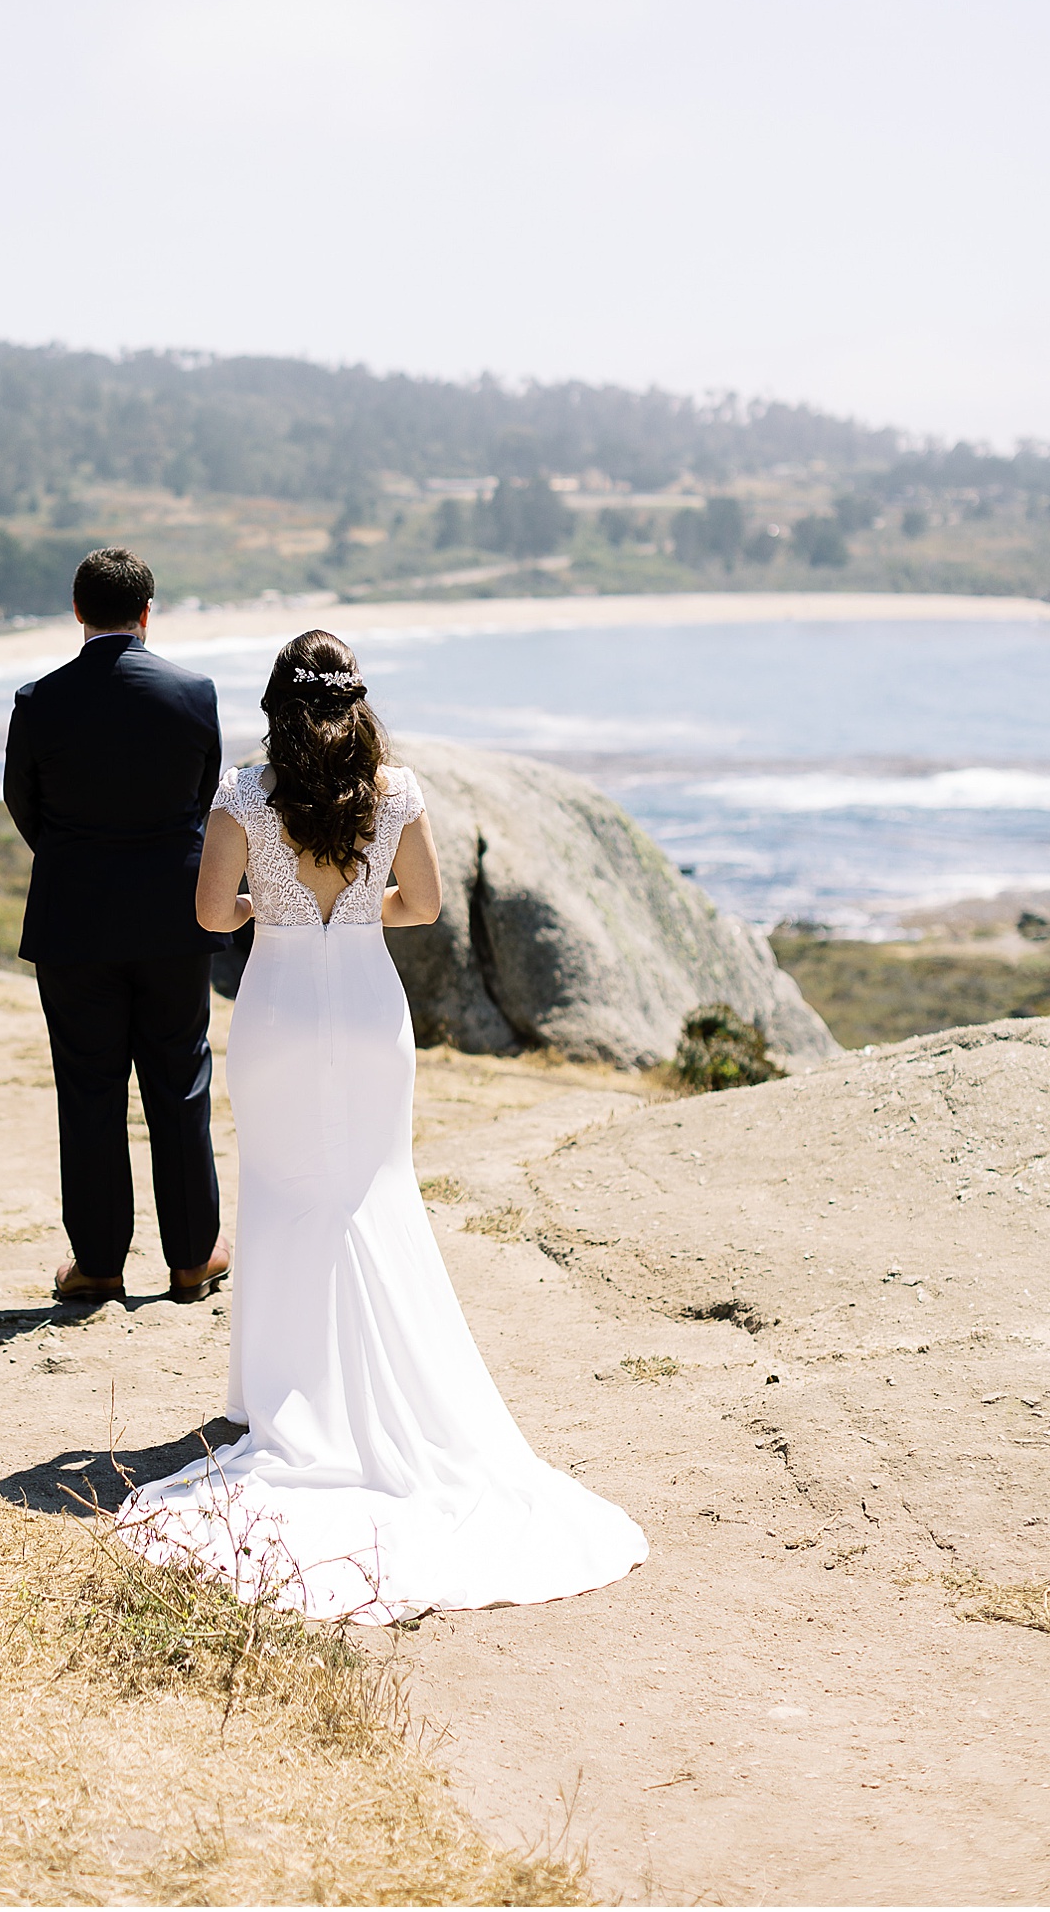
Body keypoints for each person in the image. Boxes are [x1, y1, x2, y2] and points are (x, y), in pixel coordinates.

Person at [118, 628, 648, 1624]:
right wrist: (352, 905)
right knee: (370, 1190)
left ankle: (282, 1396)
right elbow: (427, 904)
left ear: (278, 702)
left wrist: (274, 898)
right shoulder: (394, 792)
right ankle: (382, 1398)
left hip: (279, 1004)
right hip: (365, 1006)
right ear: (356, 701)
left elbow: (210, 916)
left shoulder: (241, 794)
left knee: (283, 1193)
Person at [2, 546, 231, 1304]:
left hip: (75, 922)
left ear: (77, 611)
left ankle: (98, 1264)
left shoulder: (39, 699)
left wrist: (74, 858)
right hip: (174, 918)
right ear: (146, 612)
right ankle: (193, 1257)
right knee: (181, 1082)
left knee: (89, 1089)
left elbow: (22, 803)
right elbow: (202, 801)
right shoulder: (193, 693)